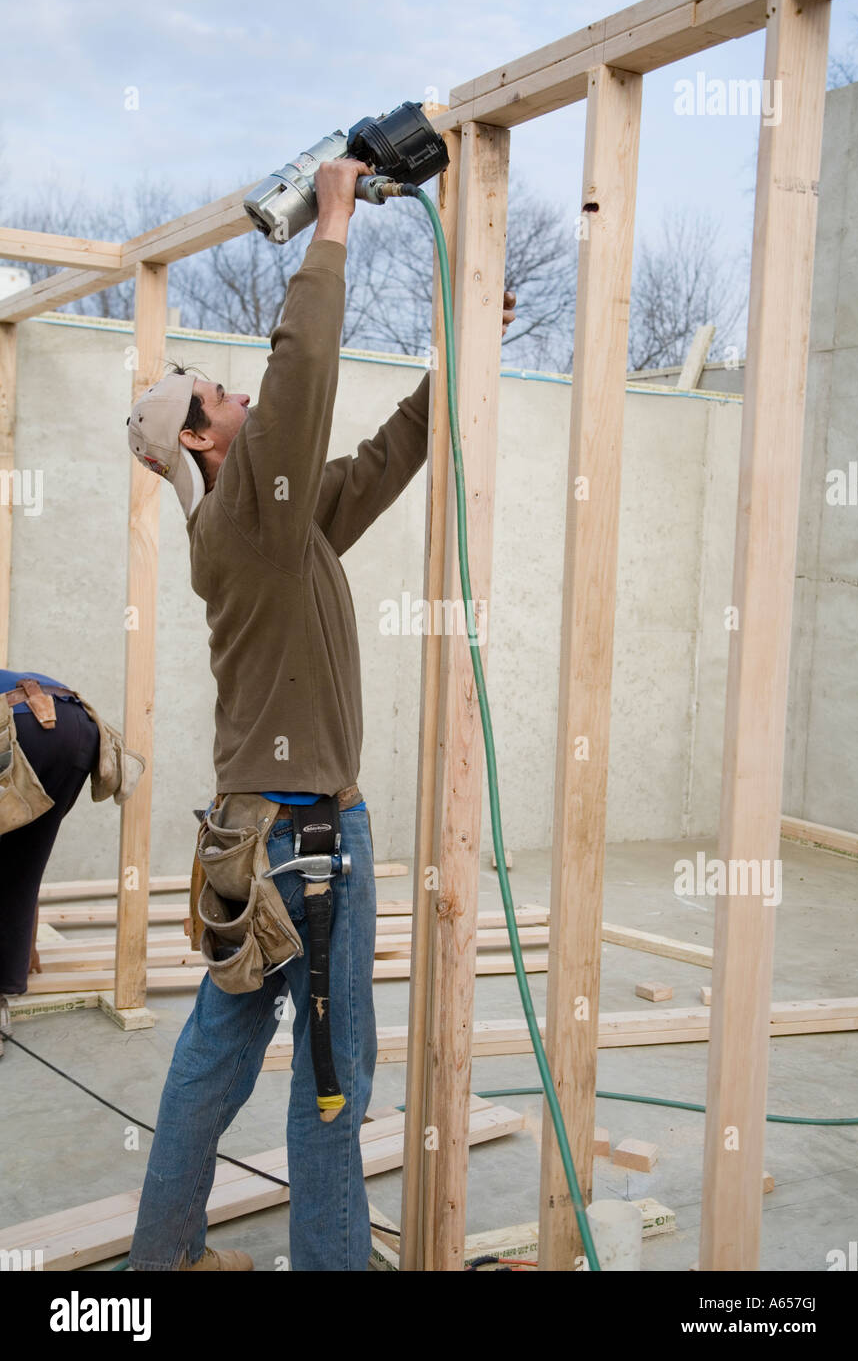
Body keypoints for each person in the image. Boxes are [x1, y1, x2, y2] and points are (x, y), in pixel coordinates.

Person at [125, 158, 517, 1271]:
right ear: (203, 442)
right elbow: (298, 376)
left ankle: (162, 1261)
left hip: (251, 839)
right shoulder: (248, 509)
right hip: (308, 843)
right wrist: (332, 218)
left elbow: (387, 458)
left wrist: (454, 365)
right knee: (334, 1082)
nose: (239, 395)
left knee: (216, 1051)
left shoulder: (272, 521)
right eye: (219, 397)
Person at [0, 671, 102, 1016]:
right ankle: (12, 969)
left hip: (17, 724)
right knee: (23, 858)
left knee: (17, 858)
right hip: (75, 723)